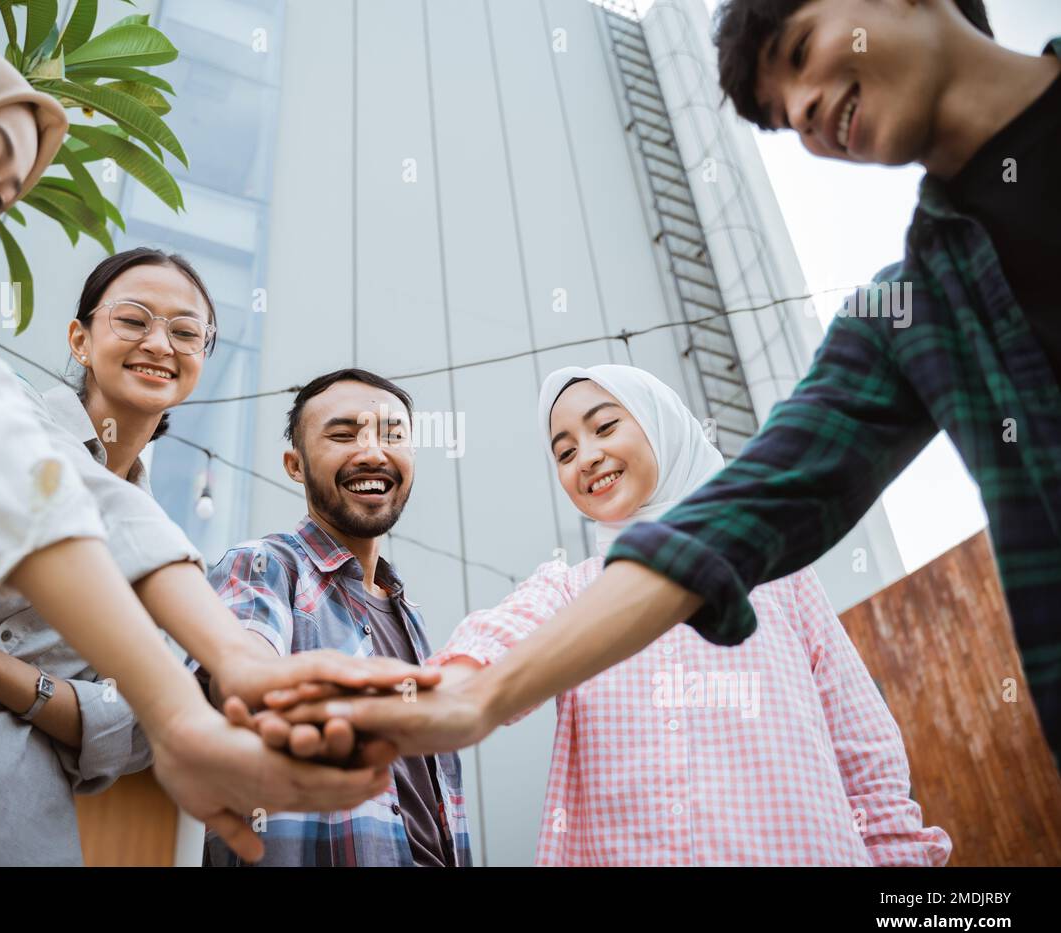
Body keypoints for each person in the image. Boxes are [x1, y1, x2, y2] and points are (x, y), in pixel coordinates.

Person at [257, 0, 1061, 771]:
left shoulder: (802, 598)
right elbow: (731, 520)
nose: (810, 115)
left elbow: (868, 762)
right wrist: (476, 698)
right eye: (786, 119)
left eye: (803, 53)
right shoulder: (911, 314)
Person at [0, 25, 397, 864]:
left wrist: (214, 669)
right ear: (80, 335)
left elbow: (116, 691)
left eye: (7, 190)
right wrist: (191, 689)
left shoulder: (160, 528)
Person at [428, 366, 949, 865]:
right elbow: (503, 635)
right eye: (564, 453)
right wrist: (440, 689)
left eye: (605, 426)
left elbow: (862, 744)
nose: (585, 457)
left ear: (664, 426)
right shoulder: (573, 587)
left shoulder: (774, 571)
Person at [201, 368, 471, 866]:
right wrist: (255, 681)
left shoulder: (412, 619)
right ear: (295, 465)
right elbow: (239, 668)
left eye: (393, 436)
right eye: (344, 435)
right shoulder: (266, 564)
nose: (372, 453)